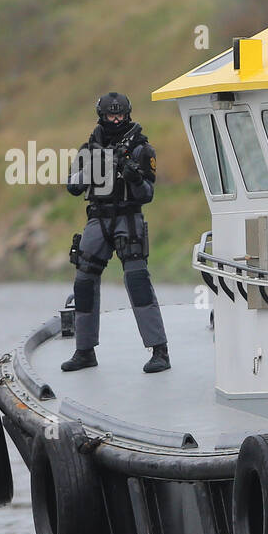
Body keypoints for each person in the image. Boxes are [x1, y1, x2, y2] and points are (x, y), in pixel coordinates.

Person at [61, 92, 170, 373]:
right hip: (98, 218)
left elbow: (147, 195)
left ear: (128, 114)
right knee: (83, 281)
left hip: (128, 218)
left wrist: (132, 175)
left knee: (137, 280)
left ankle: (160, 351)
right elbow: (72, 186)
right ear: (101, 115)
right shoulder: (89, 148)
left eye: (120, 114)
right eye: (111, 115)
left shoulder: (141, 149)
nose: (116, 119)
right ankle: (84, 351)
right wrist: (94, 170)